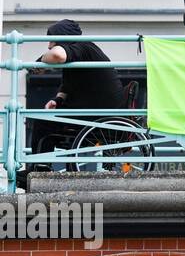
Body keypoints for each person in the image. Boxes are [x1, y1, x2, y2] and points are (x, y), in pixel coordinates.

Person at [27, 19, 127, 166]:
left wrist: (41, 60)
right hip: (96, 110)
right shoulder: (81, 52)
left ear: (63, 38)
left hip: (98, 114)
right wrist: (57, 100)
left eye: (51, 41)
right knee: (47, 121)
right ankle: (42, 167)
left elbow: (57, 55)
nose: (49, 46)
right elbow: (68, 87)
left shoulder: (81, 47)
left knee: (43, 122)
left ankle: (39, 168)